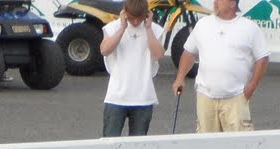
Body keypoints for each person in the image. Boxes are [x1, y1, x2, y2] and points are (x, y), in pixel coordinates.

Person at [171, 0, 269, 134]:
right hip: (205, 96)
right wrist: (180, 78)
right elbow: (189, 53)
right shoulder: (203, 24)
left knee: (238, 145)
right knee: (206, 145)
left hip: (235, 97)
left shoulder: (249, 28)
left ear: (232, 3)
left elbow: (262, 58)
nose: (215, 2)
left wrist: (252, 86)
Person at [100, 0, 164, 137]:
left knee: (138, 146)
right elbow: (105, 50)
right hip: (116, 97)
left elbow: (158, 54)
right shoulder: (112, 28)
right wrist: (122, 28)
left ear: (147, 14)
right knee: (109, 143)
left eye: (139, 18)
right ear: (124, 12)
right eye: (131, 17)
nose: (135, 22)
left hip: (143, 97)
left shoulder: (155, 30)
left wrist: (148, 29)